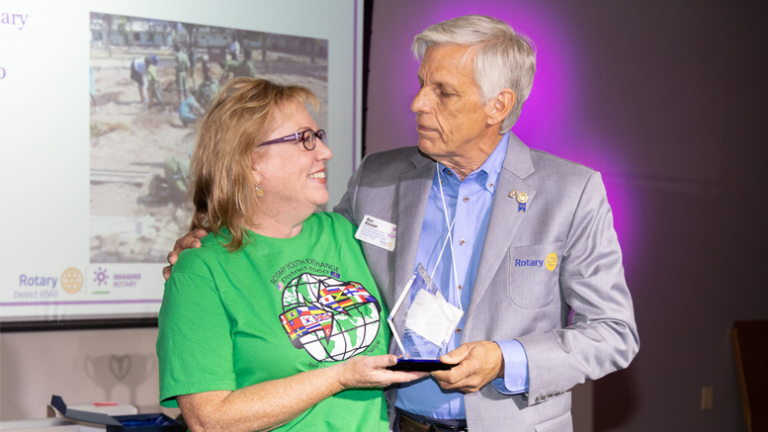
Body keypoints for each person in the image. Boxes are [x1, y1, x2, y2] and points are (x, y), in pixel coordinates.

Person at [166, 15, 639, 432]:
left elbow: (614, 333)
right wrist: (206, 235)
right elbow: (287, 236)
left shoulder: (569, 192)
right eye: (420, 84)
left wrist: (503, 359)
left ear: (498, 105)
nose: (417, 104)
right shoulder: (378, 178)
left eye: (442, 92)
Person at [157, 77, 425, 432]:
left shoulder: (349, 233)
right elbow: (210, 420)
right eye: (304, 139)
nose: (325, 153)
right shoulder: (200, 270)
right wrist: (340, 377)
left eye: (319, 136)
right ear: (251, 162)